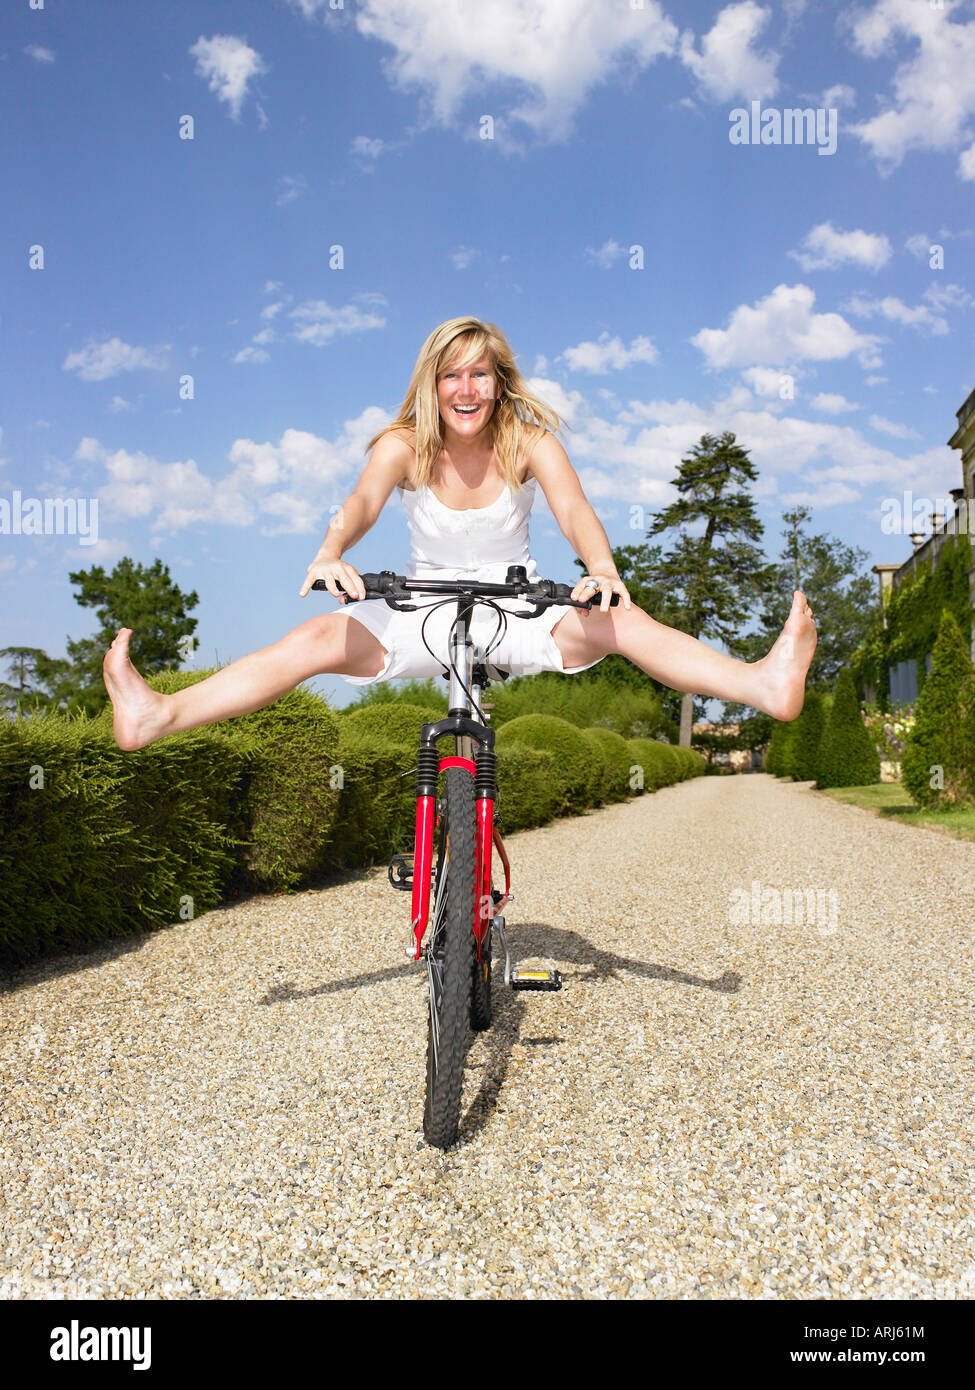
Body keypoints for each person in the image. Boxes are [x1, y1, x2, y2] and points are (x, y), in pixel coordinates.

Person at [102, 316, 816, 750]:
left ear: (499, 383)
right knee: (314, 639)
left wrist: (600, 569)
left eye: (480, 374)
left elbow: (574, 510)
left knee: (622, 623)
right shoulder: (401, 445)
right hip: (420, 608)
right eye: (452, 375)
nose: (467, 390)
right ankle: (159, 714)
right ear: (431, 383)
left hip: (518, 612)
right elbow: (357, 505)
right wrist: (330, 553)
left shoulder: (529, 442)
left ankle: (762, 684)